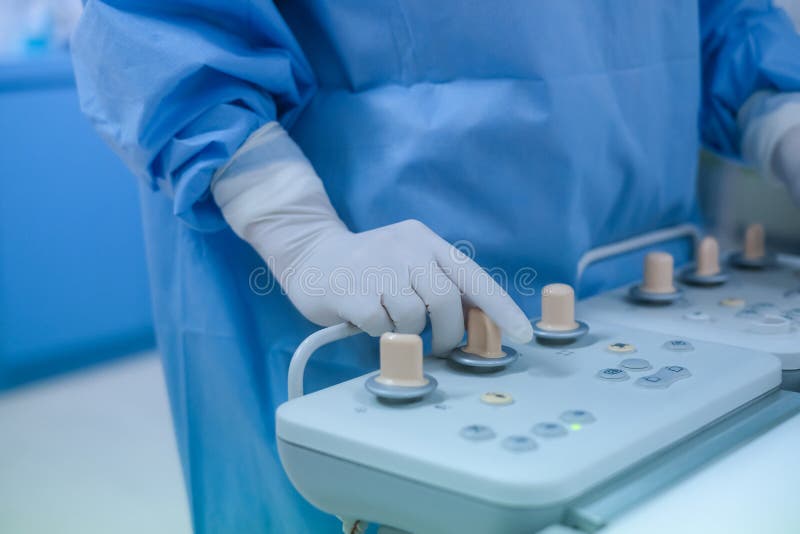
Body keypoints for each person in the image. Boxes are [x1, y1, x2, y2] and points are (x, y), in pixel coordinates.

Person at [71, 1, 800, 532]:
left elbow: (708, 19)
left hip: (639, 272)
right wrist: (293, 222)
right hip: (353, 313)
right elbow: (158, 27)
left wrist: (780, 114)